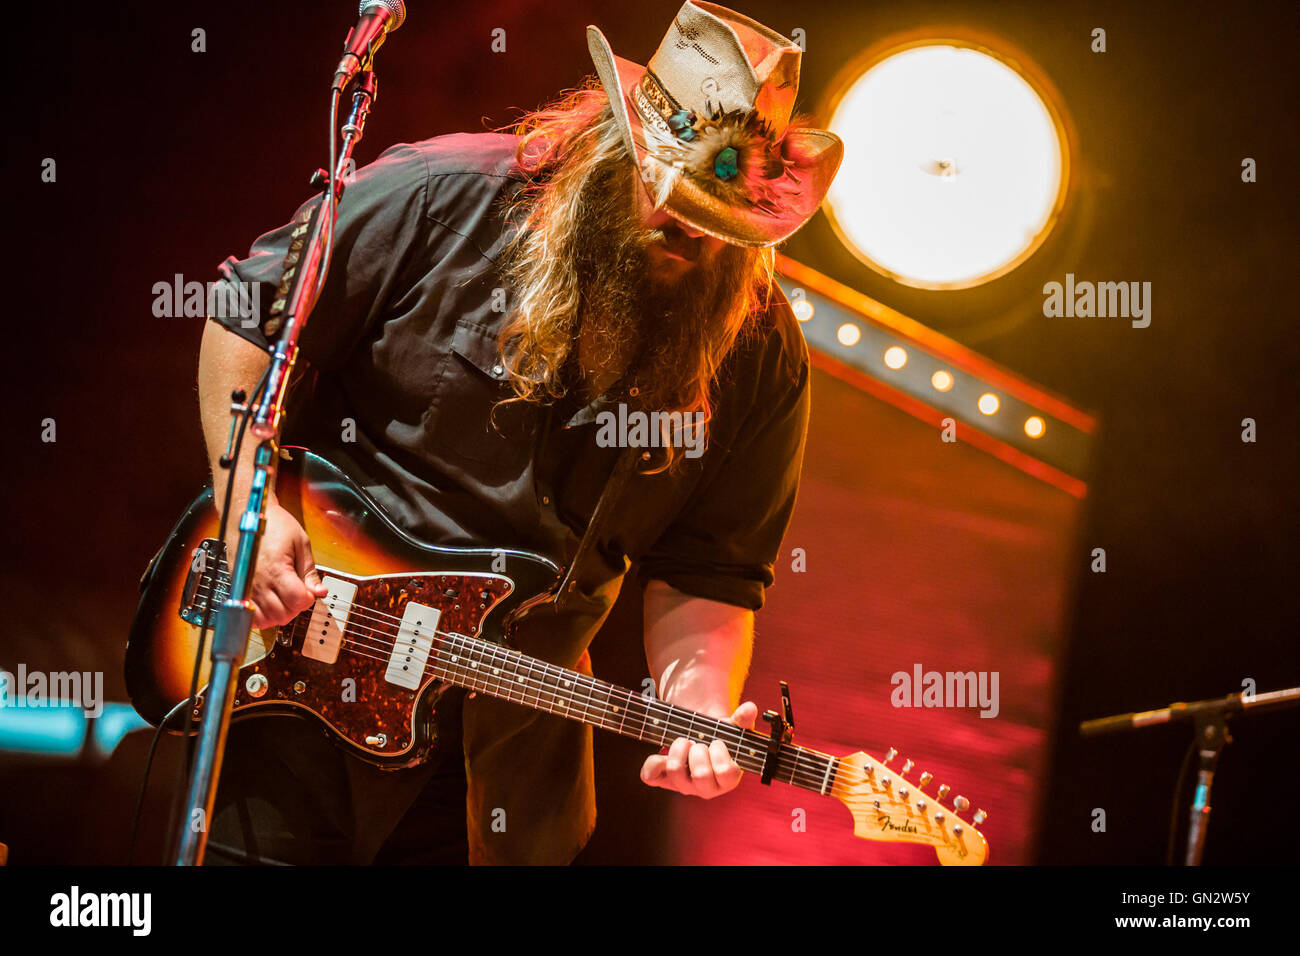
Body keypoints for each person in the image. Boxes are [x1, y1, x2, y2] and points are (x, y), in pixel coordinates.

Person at [199, 1, 843, 865]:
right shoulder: (442, 195)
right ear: (621, 149)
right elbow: (247, 316)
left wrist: (695, 712)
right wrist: (252, 507)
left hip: (504, 774)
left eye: (722, 220)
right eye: (675, 197)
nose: (692, 231)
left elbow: (711, 573)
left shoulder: (761, 351)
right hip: (296, 694)